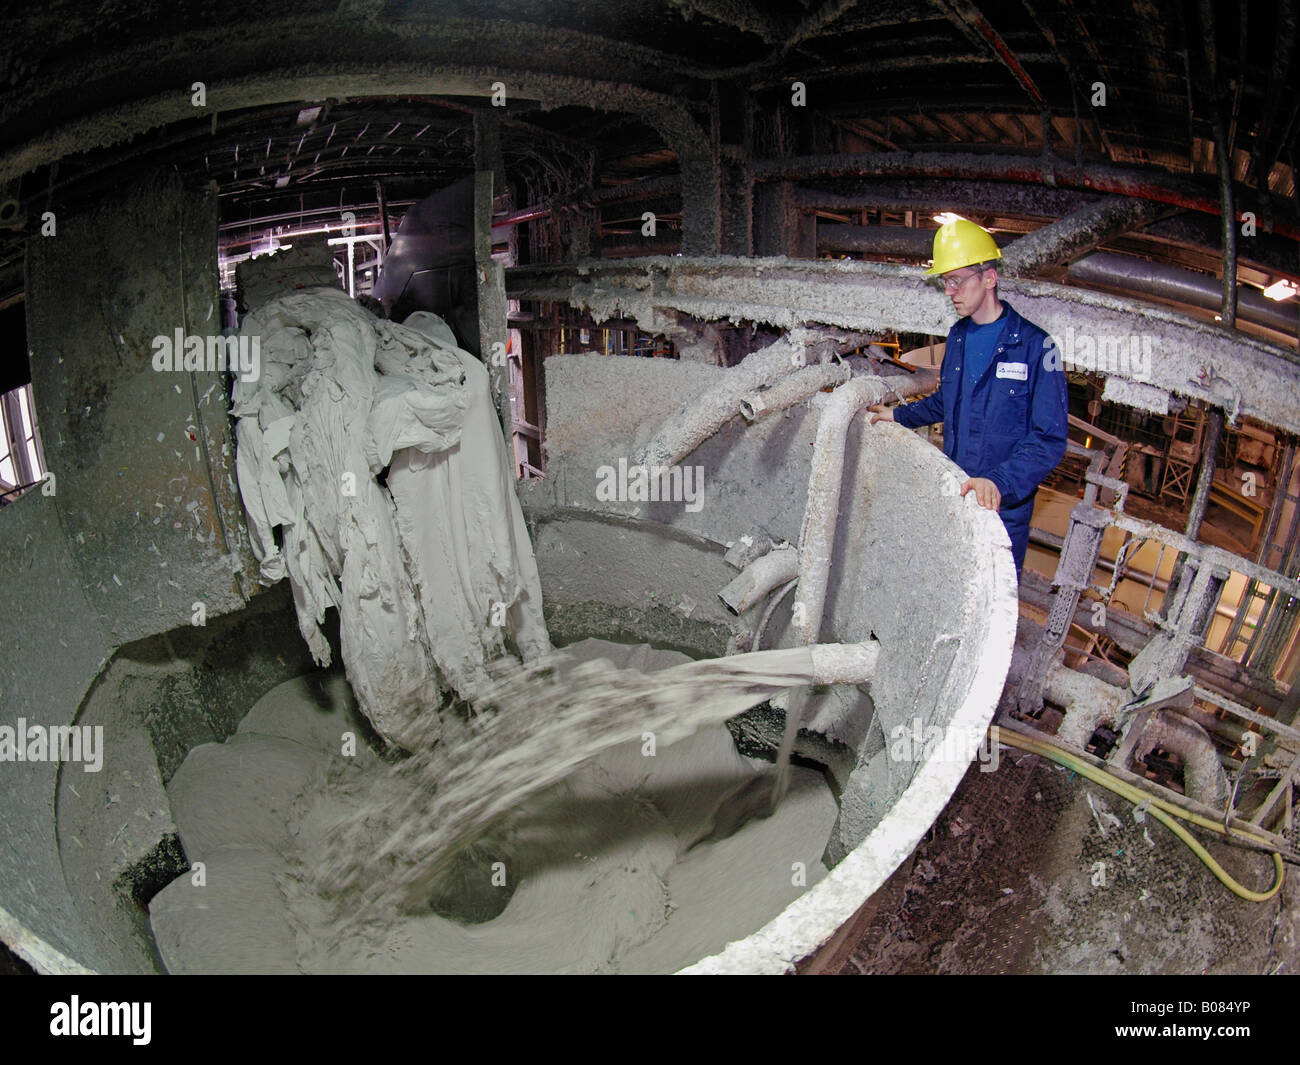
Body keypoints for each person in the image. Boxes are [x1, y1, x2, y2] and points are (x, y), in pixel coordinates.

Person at [870, 219, 1068, 577]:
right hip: (959, 493)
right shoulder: (957, 337)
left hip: (1002, 507)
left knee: (990, 596)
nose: (950, 291)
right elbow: (946, 402)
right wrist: (898, 417)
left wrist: (999, 482)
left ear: (989, 278)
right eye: (946, 282)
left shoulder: (1038, 346)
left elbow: (1048, 439)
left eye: (957, 280)